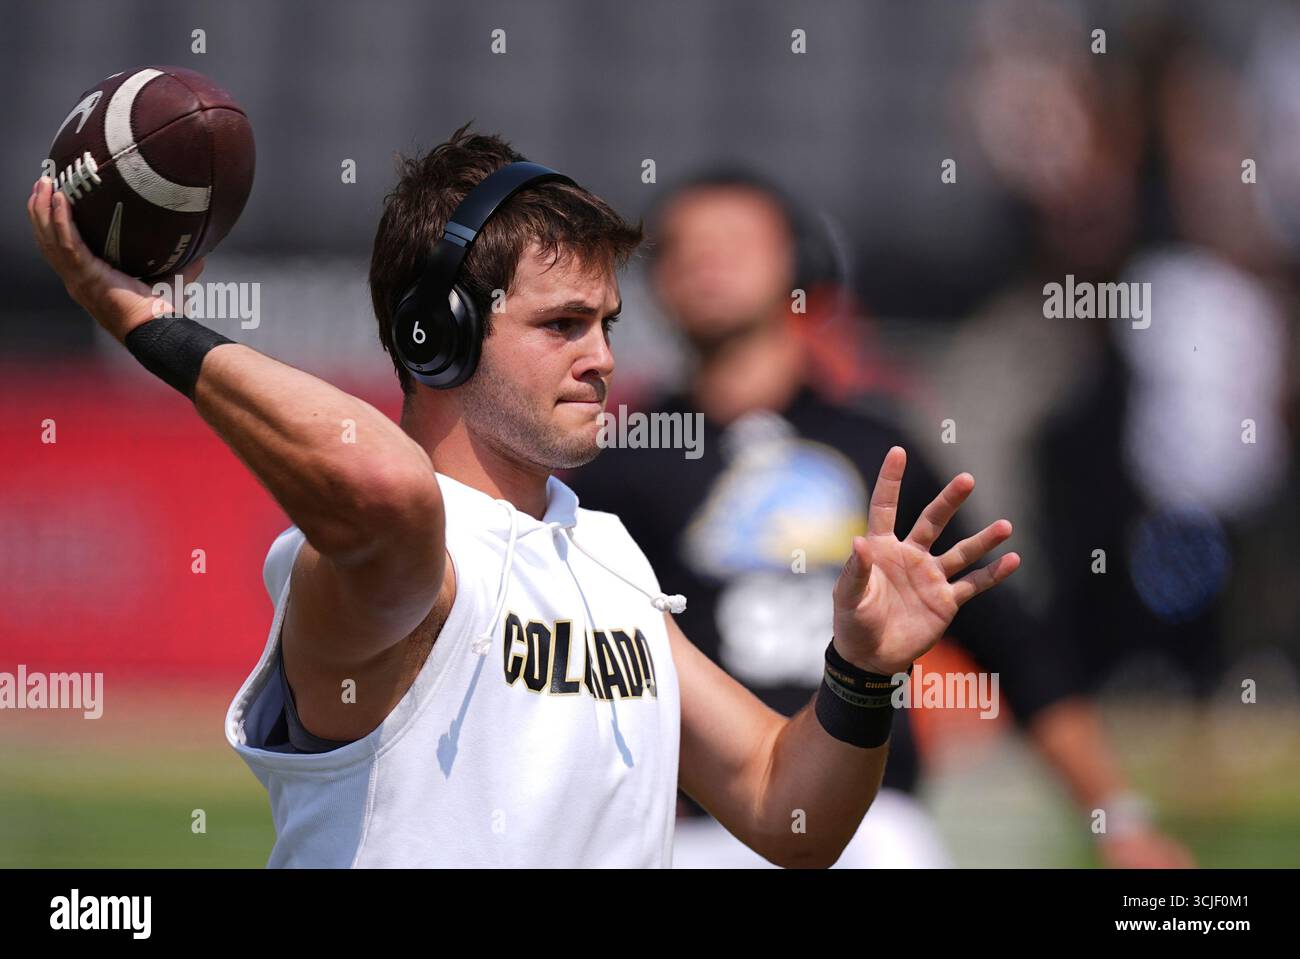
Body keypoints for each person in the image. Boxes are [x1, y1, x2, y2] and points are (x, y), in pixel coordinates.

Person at [26, 124, 1020, 868]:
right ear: (436, 334)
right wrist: (139, 318)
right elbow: (381, 481)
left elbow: (785, 810)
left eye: (609, 322)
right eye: (563, 323)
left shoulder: (609, 558)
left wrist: (857, 669)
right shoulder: (386, 551)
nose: (603, 358)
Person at [570, 168, 1195, 868]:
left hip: (872, 821)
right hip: (695, 824)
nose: (710, 263)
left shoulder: (879, 445)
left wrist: (1120, 819)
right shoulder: (619, 464)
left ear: (797, 264)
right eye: (686, 247)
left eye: (737, 242)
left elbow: (1016, 649)